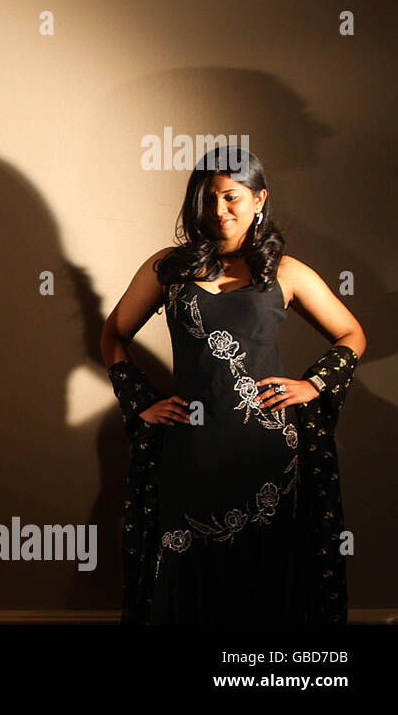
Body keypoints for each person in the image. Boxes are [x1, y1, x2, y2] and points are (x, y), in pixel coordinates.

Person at [101, 146, 365, 623]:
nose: (218, 210)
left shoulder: (287, 272)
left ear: (259, 199)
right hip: (191, 444)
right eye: (207, 198)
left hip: (268, 448)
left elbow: (353, 335)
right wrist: (140, 401)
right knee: (187, 564)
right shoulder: (169, 267)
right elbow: (113, 334)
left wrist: (313, 385)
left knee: (266, 564)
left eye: (231, 197)